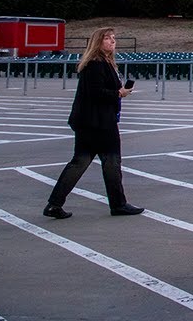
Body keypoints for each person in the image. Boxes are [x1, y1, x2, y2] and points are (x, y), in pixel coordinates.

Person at [43, 27, 145, 219]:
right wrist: (119, 93)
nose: (113, 42)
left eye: (114, 38)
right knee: (112, 162)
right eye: (108, 39)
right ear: (98, 42)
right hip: (99, 122)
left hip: (89, 121)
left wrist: (118, 92)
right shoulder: (96, 64)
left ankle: (54, 204)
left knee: (79, 162)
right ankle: (118, 204)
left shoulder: (102, 63)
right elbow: (96, 93)